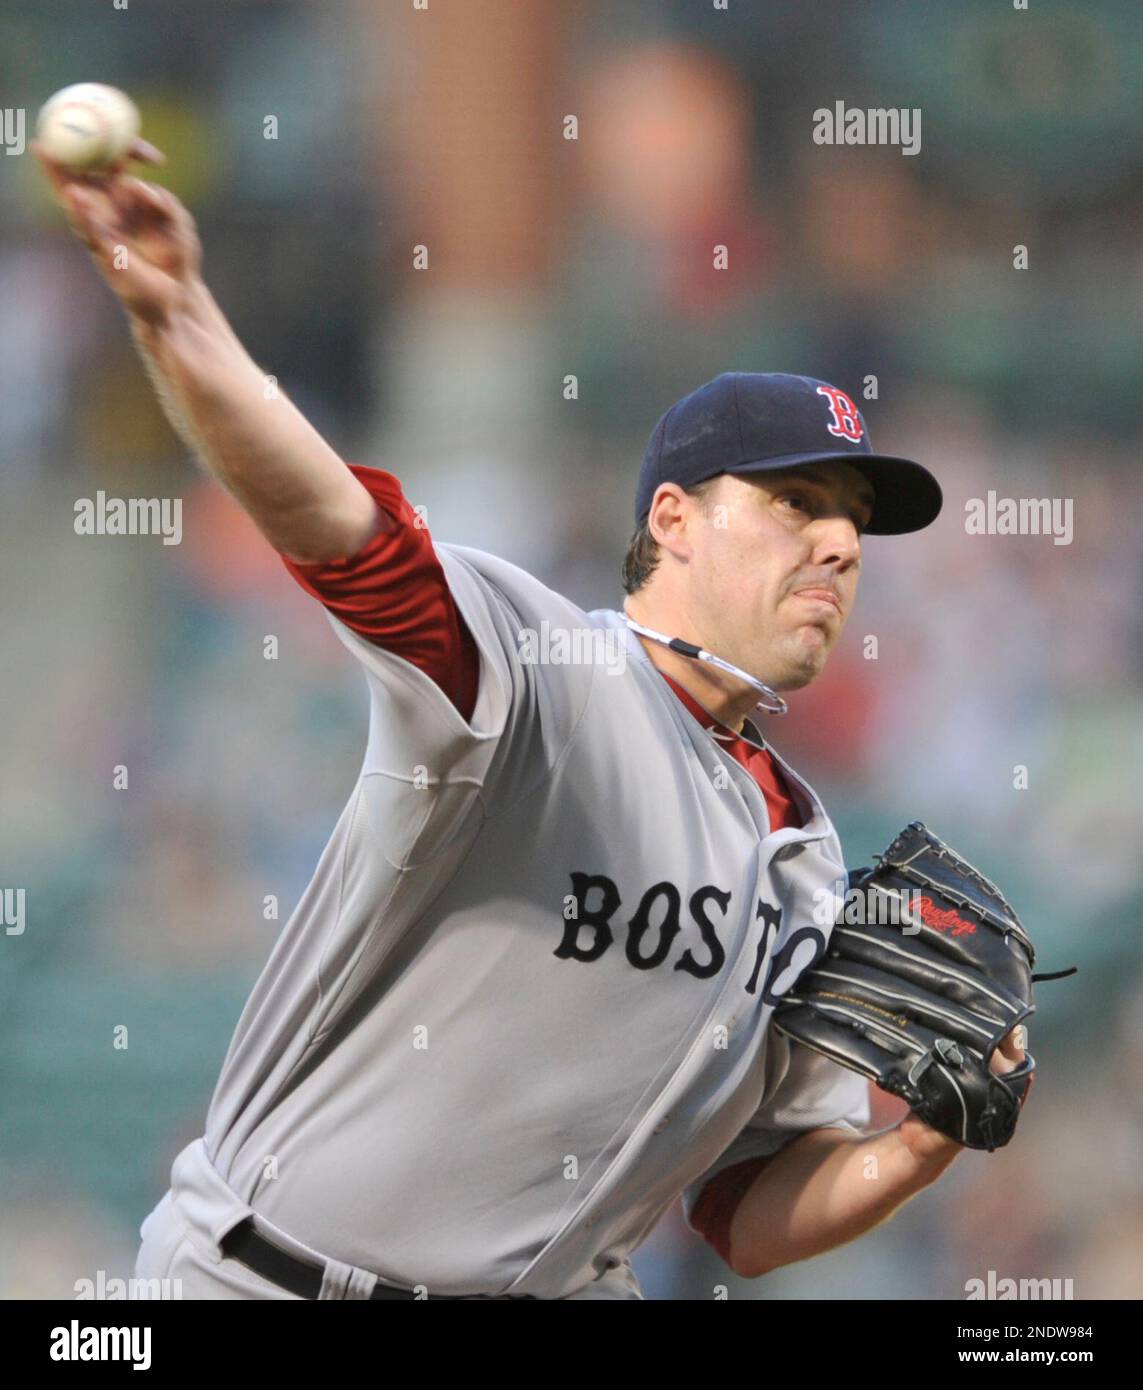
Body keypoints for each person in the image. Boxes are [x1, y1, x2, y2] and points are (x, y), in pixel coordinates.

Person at [37, 140, 1027, 1301]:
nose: (841, 542)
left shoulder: (809, 868)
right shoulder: (542, 675)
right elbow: (338, 532)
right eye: (796, 502)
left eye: (854, 518)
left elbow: (745, 1214)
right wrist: (185, 319)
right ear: (673, 520)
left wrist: (910, 1155)